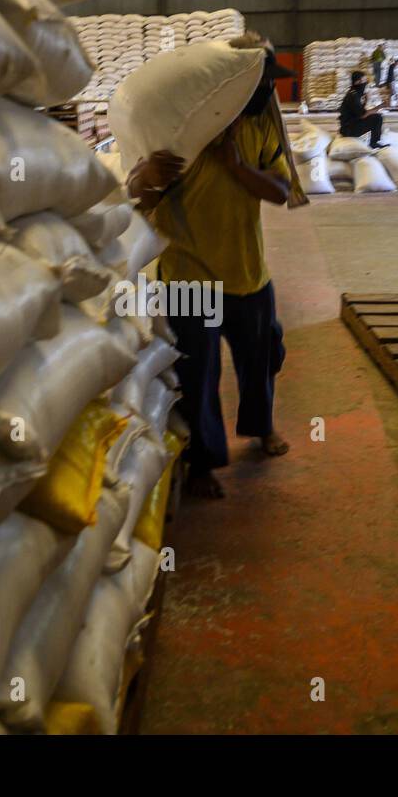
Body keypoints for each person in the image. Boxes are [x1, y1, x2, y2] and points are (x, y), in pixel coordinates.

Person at [125, 34, 293, 500]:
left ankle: (261, 427)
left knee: (261, 360)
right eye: (259, 83)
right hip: (188, 278)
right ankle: (202, 461)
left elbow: (280, 192)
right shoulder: (183, 130)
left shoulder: (261, 128)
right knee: (197, 376)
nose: (267, 92)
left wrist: (237, 166)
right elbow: (137, 193)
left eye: (268, 83)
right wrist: (145, 176)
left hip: (248, 271)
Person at [337, 71, 384, 147]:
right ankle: (374, 143)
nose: (365, 83)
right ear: (357, 82)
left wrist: (366, 101)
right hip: (348, 130)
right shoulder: (353, 95)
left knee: (376, 116)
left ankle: (374, 142)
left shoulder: (354, 93)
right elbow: (362, 115)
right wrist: (379, 107)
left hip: (351, 125)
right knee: (378, 118)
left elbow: (358, 111)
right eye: (364, 81)